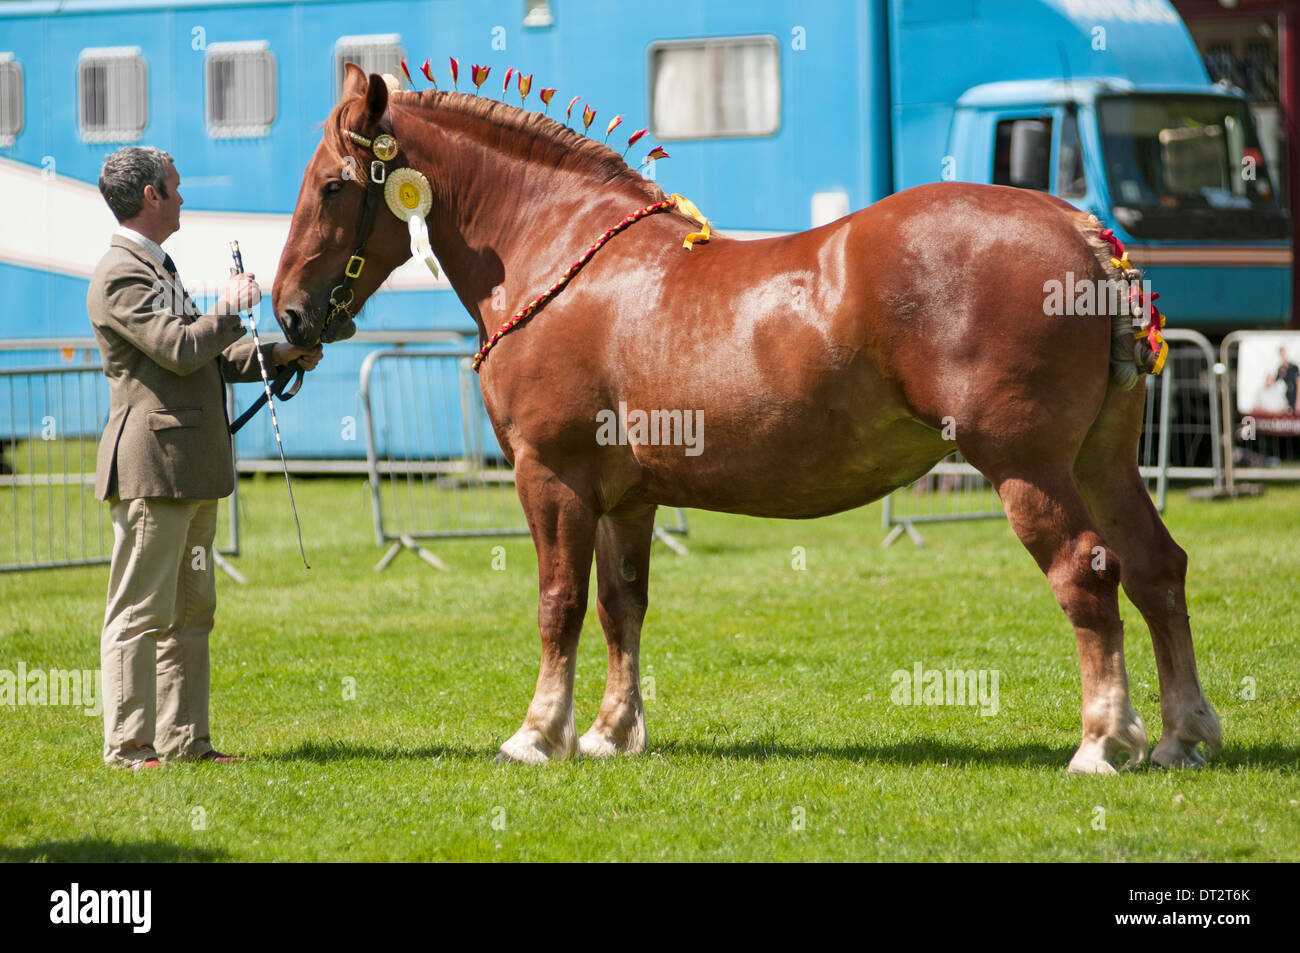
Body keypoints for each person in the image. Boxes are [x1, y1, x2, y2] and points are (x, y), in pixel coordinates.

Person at [88, 146, 322, 769]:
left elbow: (211, 360)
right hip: (153, 468)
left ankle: (186, 742)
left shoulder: (158, 267)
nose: (183, 196)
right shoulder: (121, 274)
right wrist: (229, 305)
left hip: (190, 466)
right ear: (150, 197)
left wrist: (279, 355)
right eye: (176, 186)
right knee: (139, 615)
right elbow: (178, 347)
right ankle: (130, 749)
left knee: (192, 615)